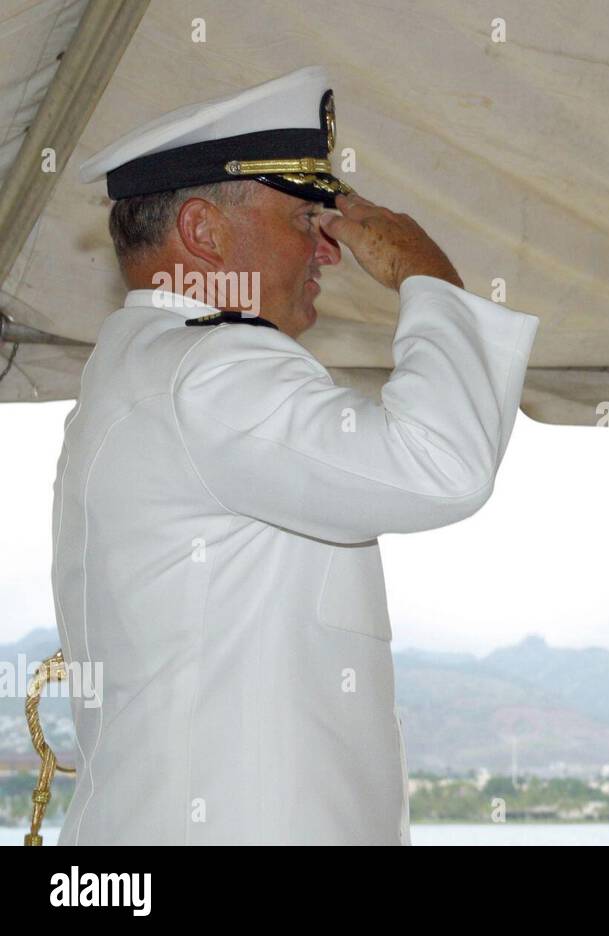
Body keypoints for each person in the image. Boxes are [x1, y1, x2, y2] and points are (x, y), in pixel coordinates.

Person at [53, 67, 539, 844]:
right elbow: (441, 463)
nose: (332, 253)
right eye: (306, 221)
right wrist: (429, 277)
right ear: (206, 234)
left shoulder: (149, 371)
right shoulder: (212, 372)